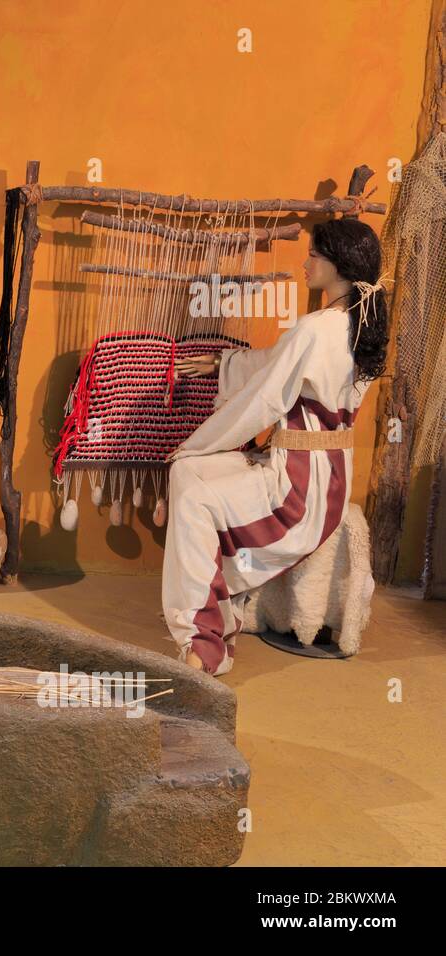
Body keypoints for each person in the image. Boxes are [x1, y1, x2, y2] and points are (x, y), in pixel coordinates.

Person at [162, 217, 389, 676]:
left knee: (191, 483)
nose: (305, 264)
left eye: (314, 256)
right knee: (190, 478)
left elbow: (263, 400)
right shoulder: (354, 328)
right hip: (327, 476)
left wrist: (195, 444)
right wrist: (223, 364)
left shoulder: (317, 329)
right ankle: (213, 615)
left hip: (298, 488)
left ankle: (203, 642)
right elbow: (274, 362)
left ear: (339, 264)